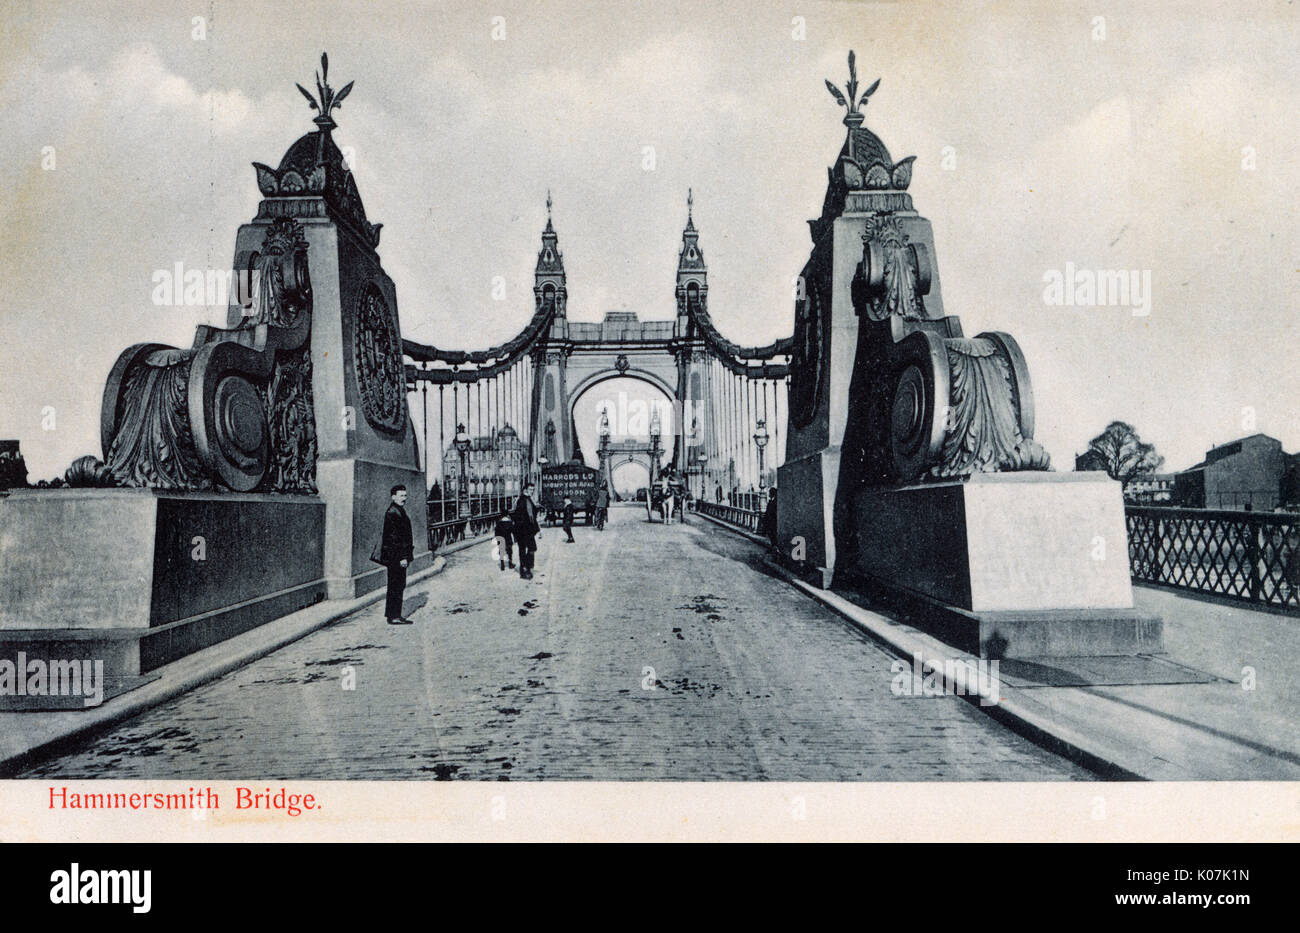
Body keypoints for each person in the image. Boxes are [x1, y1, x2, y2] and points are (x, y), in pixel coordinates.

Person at [381, 484, 414, 624]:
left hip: (396, 556)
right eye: (401, 496)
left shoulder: (398, 510)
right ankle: (393, 616)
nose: (404, 498)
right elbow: (394, 539)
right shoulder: (393, 513)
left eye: (405, 496)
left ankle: (394, 614)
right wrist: (402, 557)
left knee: (398, 584)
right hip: (396, 557)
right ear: (393, 496)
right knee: (396, 584)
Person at [512, 481, 541, 579]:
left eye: (533, 490)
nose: (532, 491)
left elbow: (532, 516)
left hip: (528, 531)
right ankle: (524, 570)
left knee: (531, 548)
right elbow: (520, 518)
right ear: (525, 490)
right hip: (523, 531)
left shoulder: (528, 499)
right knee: (524, 550)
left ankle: (527, 568)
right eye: (530, 489)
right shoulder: (522, 501)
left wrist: (537, 529)